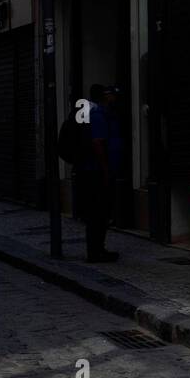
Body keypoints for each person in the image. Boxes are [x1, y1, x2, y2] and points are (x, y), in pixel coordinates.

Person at [77, 84, 121, 262]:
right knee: (98, 213)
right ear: (104, 96)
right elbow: (98, 142)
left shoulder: (96, 114)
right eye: (111, 94)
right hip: (96, 173)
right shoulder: (98, 115)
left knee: (100, 213)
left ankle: (97, 250)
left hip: (95, 170)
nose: (114, 98)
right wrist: (105, 169)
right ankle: (95, 252)